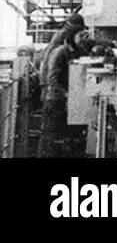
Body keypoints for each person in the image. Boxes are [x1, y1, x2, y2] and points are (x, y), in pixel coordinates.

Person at [38, 28, 93, 158]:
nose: (84, 38)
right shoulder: (60, 52)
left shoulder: (79, 52)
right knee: (51, 138)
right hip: (55, 100)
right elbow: (52, 79)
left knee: (73, 138)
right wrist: (67, 94)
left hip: (71, 101)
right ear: (71, 37)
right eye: (81, 35)